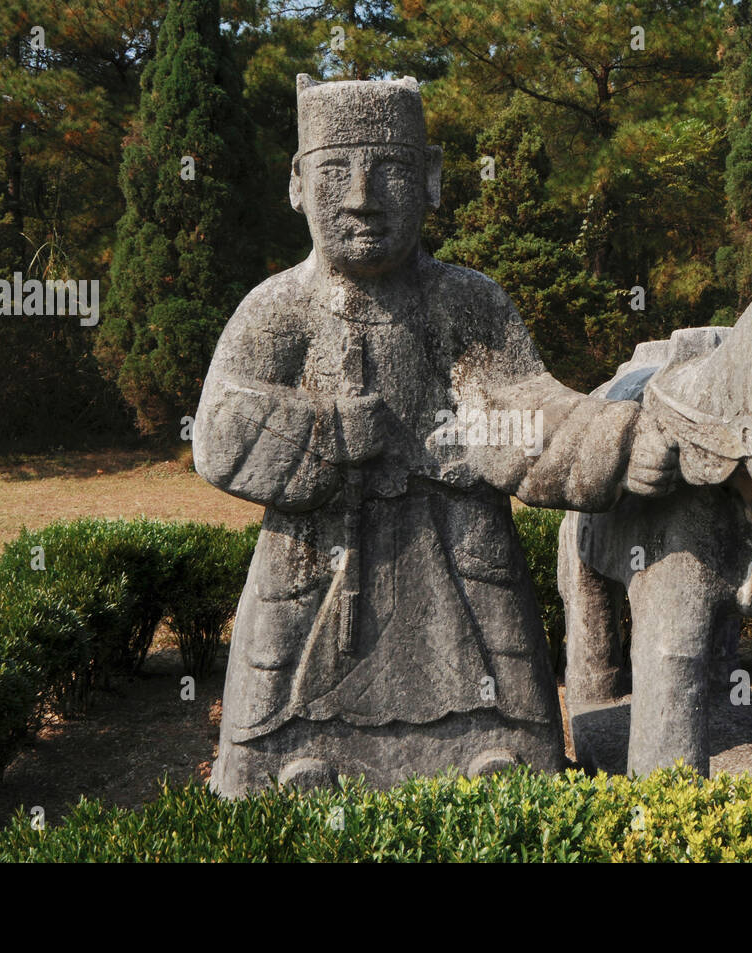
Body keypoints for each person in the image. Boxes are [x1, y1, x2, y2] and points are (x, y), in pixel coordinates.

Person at [194, 74, 676, 794]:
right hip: (322, 562)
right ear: (298, 184)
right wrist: (324, 431)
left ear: (431, 178)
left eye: (389, 168)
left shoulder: (469, 304)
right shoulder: (278, 311)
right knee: (288, 738)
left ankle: (489, 750)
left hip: (459, 552)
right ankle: (299, 756)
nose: (360, 195)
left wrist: (613, 441)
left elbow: (527, 407)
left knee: (498, 733)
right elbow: (220, 429)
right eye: (334, 171)